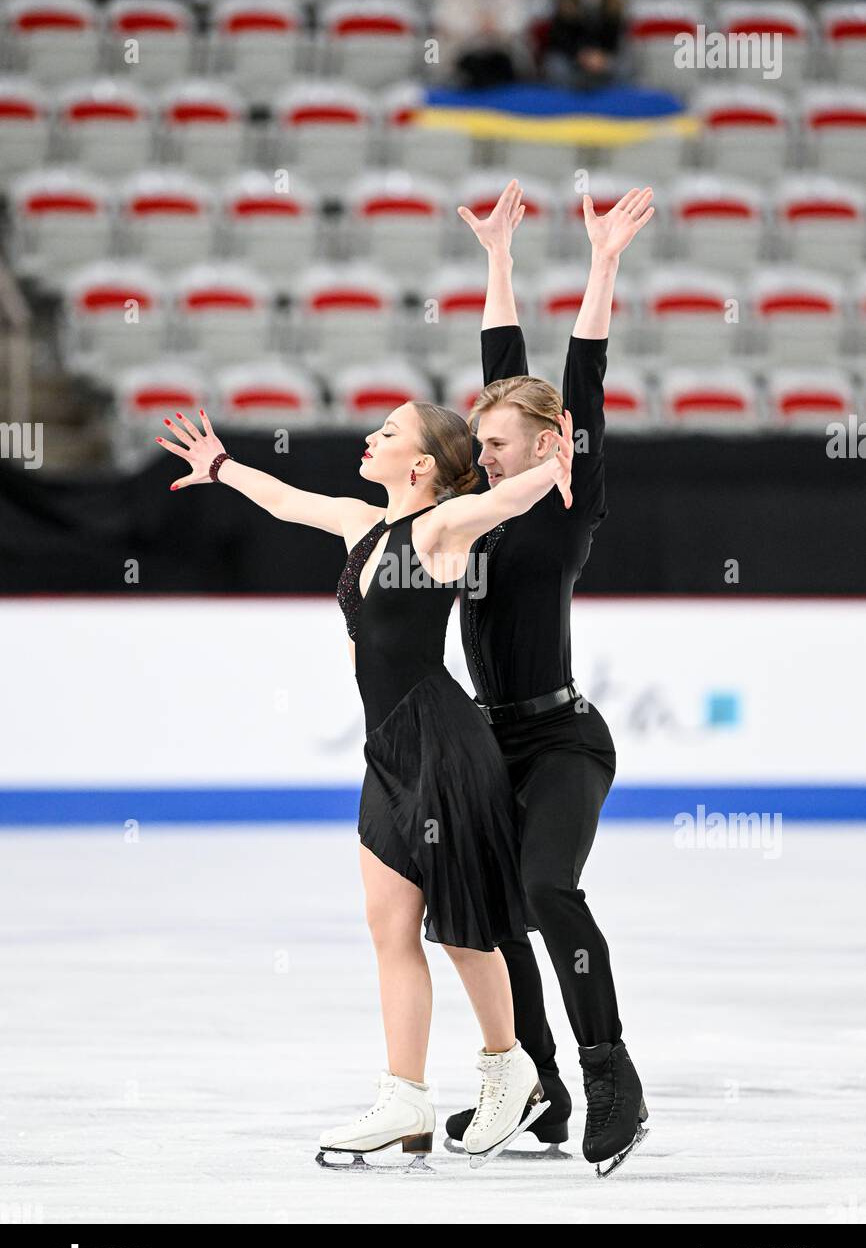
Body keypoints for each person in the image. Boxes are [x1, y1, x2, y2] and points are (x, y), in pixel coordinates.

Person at [155, 395, 576, 1168]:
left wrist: (556, 461)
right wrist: (221, 466)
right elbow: (285, 502)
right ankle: (405, 1097)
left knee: (459, 929)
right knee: (389, 928)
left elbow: (507, 495)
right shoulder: (362, 524)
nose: (368, 438)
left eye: (386, 433)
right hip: (388, 750)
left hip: (445, 744)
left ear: (419, 464)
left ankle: (507, 1065)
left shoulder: (443, 528)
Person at [446, 179, 653, 1176]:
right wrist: (498, 259)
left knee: (544, 889)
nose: (477, 457)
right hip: (487, 738)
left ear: (544, 443)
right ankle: (536, 1082)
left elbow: (579, 377)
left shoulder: (569, 492)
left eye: (495, 445)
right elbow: (500, 371)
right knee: (487, 917)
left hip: (564, 738)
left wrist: (602, 261)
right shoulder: (480, 504)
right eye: (477, 445)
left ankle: (607, 1070)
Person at [541, 0, 625, 90]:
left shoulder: (614, 1)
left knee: (625, 64)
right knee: (555, 66)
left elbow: (615, 38)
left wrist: (601, 57)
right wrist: (581, 56)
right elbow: (559, 37)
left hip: (602, 59)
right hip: (572, 58)